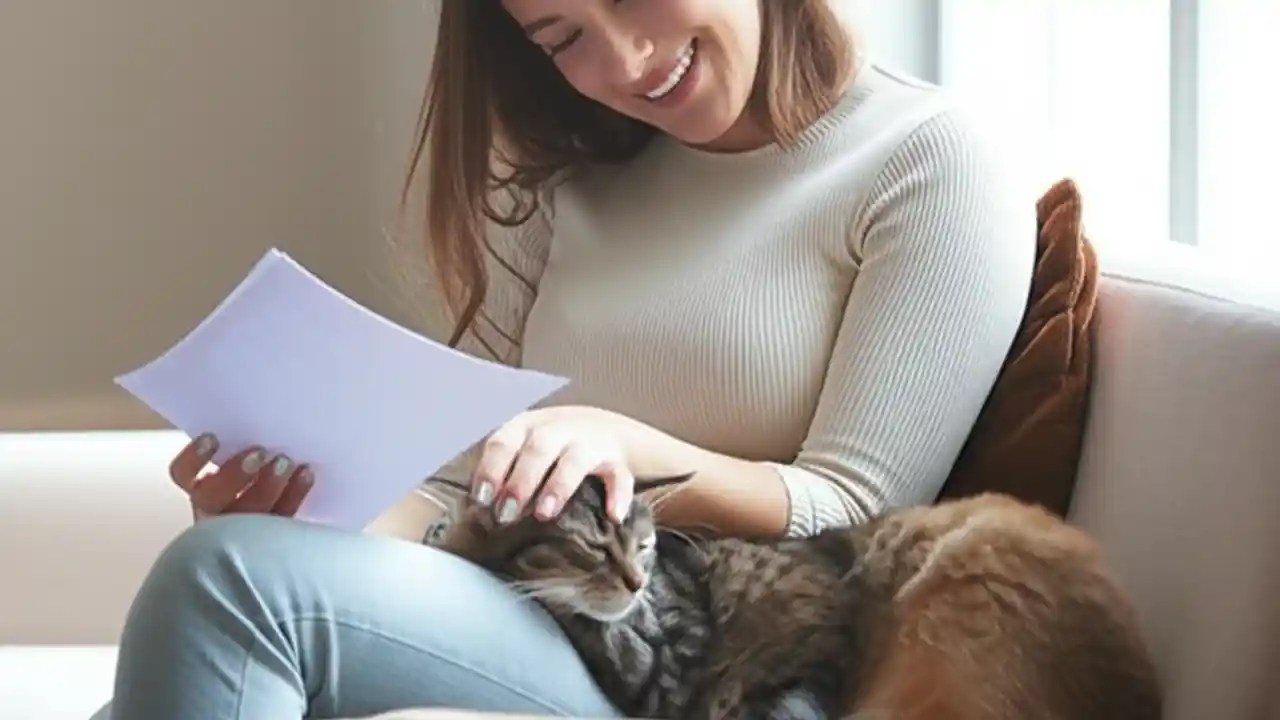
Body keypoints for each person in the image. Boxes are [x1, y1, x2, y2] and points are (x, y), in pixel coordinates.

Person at [100, 0, 1033, 717]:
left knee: (223, 585)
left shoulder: (927, 162)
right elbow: (453, 488)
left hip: (700, 658)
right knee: (222, 580)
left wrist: (626, 447)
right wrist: (300, 516)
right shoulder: (570, 181)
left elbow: (864, 516)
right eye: (562, 37)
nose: (624, 62)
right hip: (520, 603)